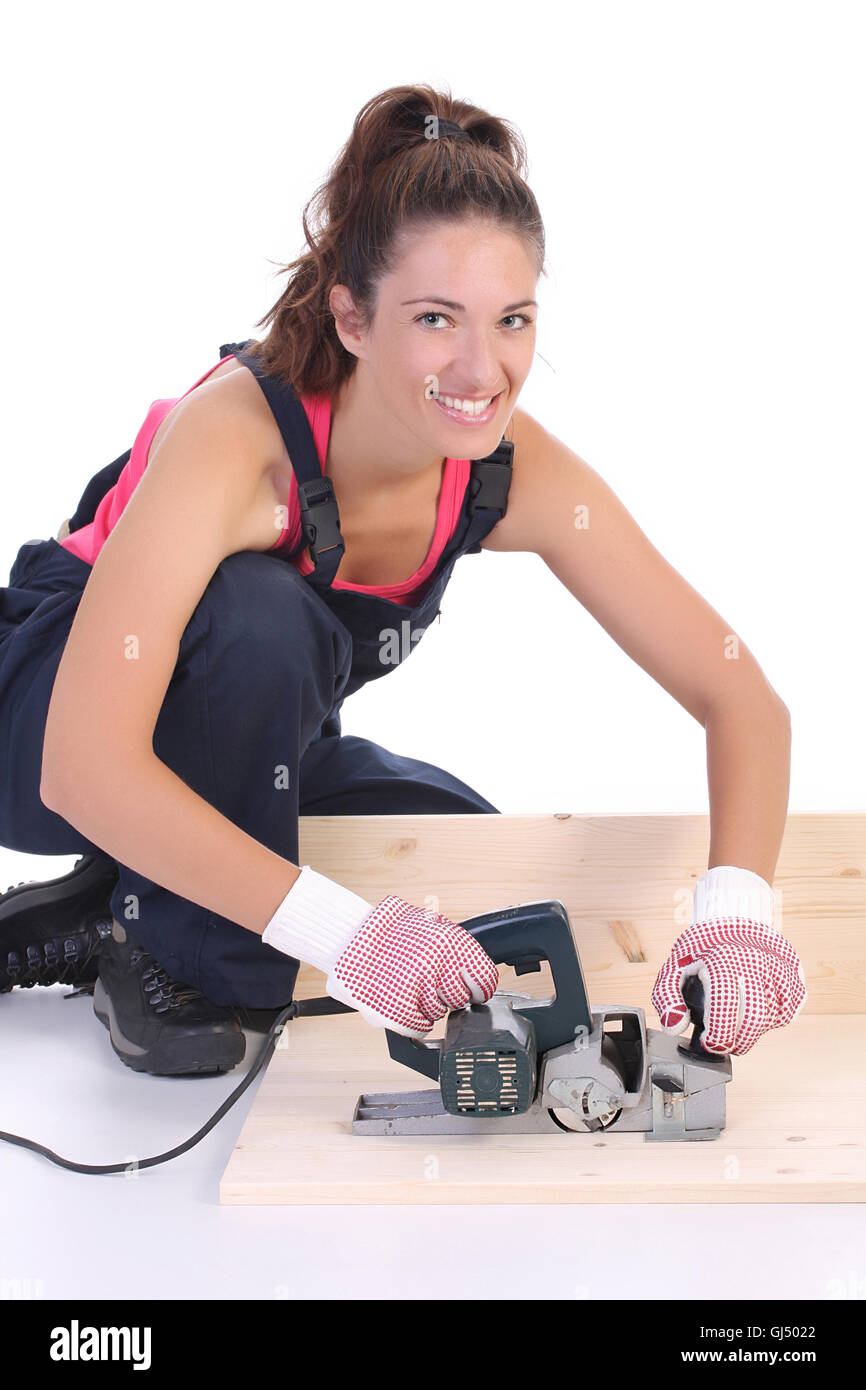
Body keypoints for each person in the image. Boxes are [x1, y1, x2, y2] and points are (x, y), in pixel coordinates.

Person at [0, 83, 806, 1079]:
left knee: (474, 887)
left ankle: (124, 889)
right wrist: (347, 937)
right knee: (262, 618)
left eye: (510, 319)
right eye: (434, 319)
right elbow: (80, 765)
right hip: (43, 709)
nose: (481, 368)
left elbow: (738, 695)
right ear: (351, 315)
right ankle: (160, 945)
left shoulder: (510, 470)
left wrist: (736, 911)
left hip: (244, 738)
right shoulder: (234, 447)